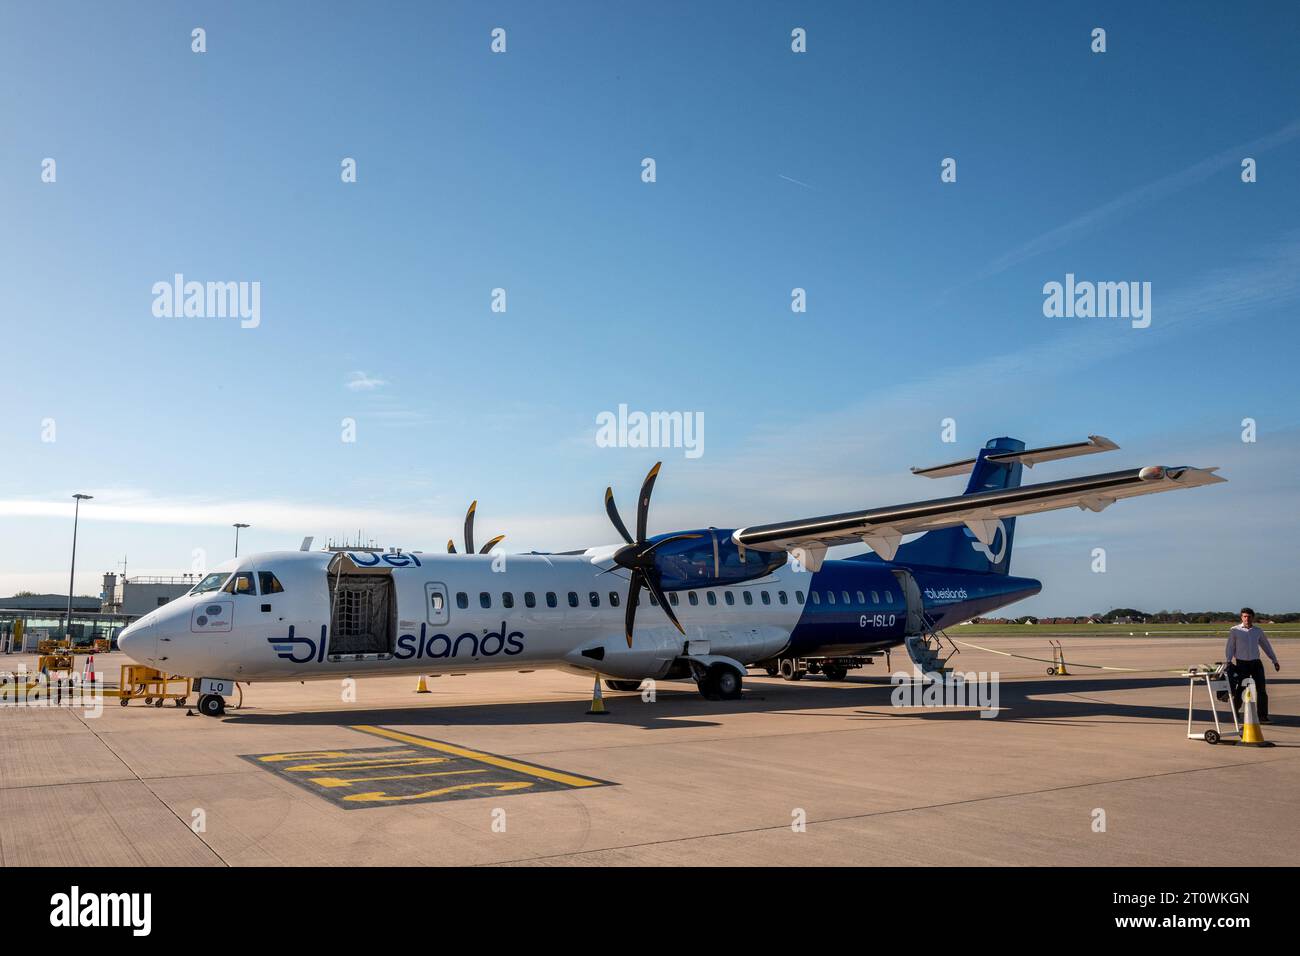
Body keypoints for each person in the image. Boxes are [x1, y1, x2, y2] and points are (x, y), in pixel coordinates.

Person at [1225, 607, 1280, 723]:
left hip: (1256, 663)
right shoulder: (1235, 630)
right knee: (1240, 688)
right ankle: (1235, 713)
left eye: (1249, 617)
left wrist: (1274, 660)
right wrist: (1228, 661)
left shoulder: (1258, 631)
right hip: (1241, 663)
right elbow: (1230, 646)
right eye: (1245, 616)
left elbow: (1266, 646)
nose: (1247, 619)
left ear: (1253, 618)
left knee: (1261, 690)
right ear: (1241, 617)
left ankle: (1262, 716)